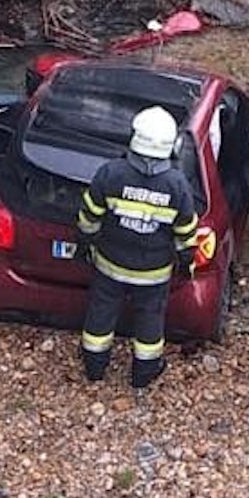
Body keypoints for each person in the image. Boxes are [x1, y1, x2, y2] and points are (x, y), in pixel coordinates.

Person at [77, 105, 199, 388]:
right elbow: (186, 232)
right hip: (153, 272)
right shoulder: (177, 184)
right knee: (150, 319)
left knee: (101, 313)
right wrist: (186, 261)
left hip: (110, 264)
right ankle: (143, 373)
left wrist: (84, 244)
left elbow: (89, 217)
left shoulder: (110, 173)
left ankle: (95, 367)